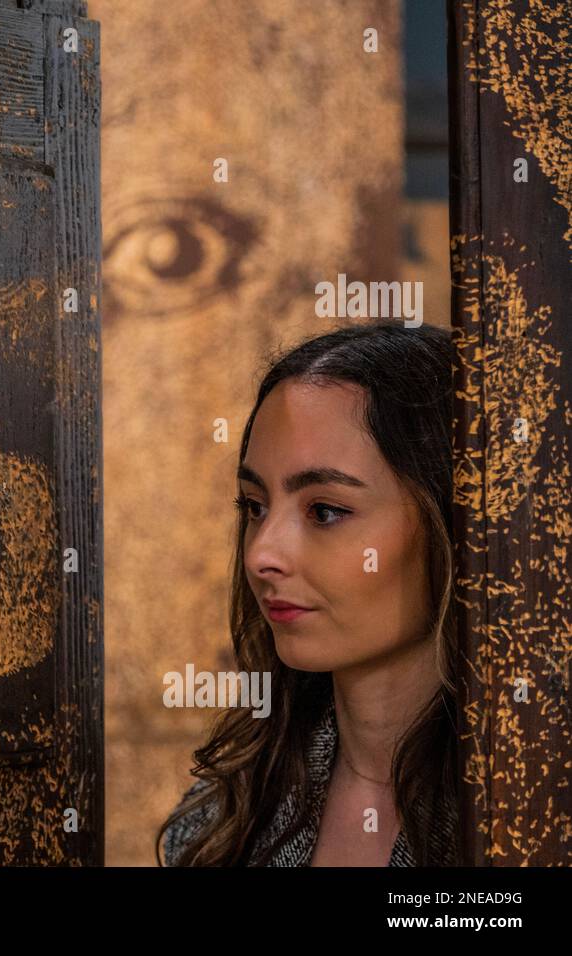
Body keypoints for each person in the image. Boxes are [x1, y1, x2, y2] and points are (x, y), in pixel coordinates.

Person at [157, 321, 465, 866]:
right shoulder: (226, 812)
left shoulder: (532, 814)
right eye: (254, 506)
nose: (260, 555)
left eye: (325, 511)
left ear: (456, 524)